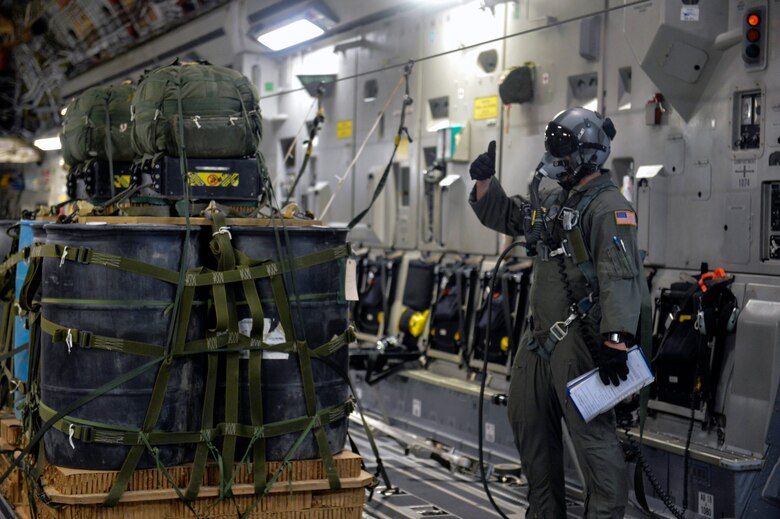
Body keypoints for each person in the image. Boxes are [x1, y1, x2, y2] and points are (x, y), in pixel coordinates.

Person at [469, 107, 642, 518]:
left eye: (563, 154)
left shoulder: (610, 210)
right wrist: (483, 181)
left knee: (597, 455)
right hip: (537, 341)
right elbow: (510, 216)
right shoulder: (550, 197)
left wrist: (615, 340)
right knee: (529, 430)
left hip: (580, 345)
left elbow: (620, 275)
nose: (554, 161)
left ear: (587, 155)